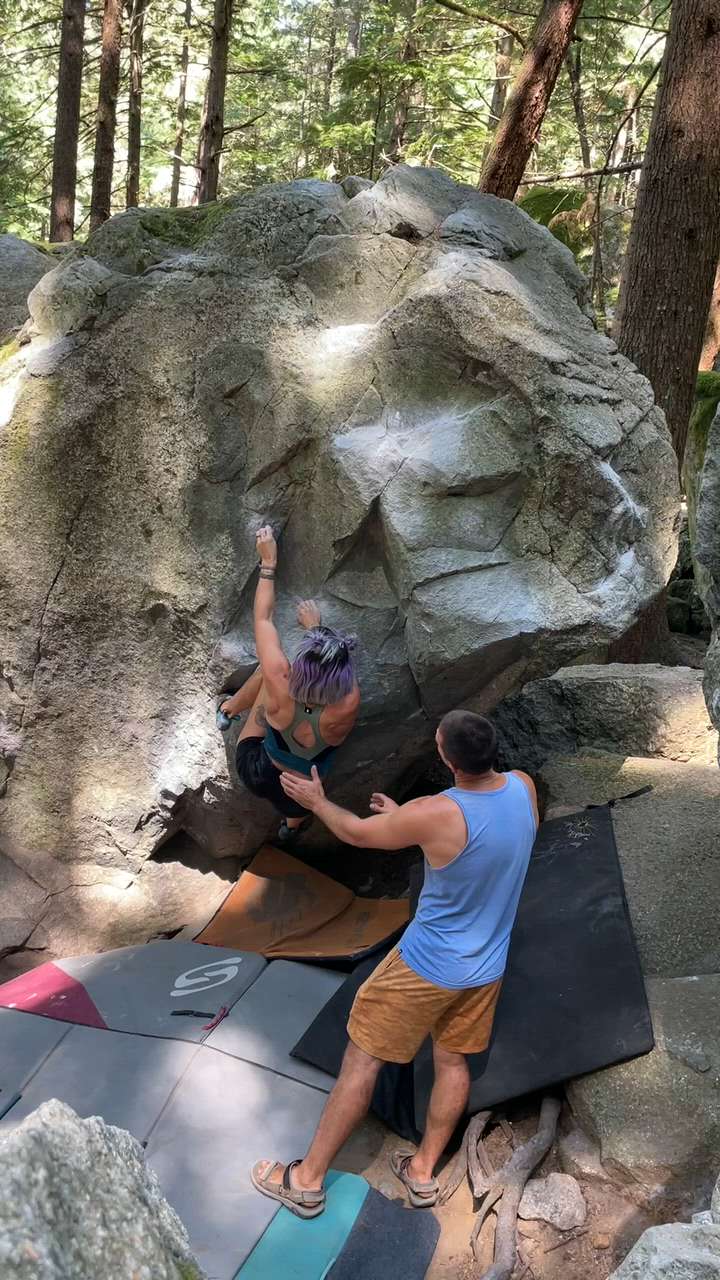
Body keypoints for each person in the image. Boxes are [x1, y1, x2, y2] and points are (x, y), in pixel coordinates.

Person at [251, 709, 538, 1216]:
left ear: (447, 758)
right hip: (486, 967)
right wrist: (406, 815)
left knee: (362, 1062)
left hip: (424, 967)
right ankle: (423, 1172)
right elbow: (475, 838)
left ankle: (307, 1180)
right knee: (453, 1061)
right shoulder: (522, 787)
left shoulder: (438, 813)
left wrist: (318, 801)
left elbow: (359, 834)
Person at [217, 526, 360, 842]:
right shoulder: (349, 703)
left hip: (257, 769)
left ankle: (227, 711)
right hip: (302, 786)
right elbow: (336, 672)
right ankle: (290, 829)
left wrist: (268, 563)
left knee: (267, 675)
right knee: (296, 809)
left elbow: (263, 620)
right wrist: (321, 634)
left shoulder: (281, 678)